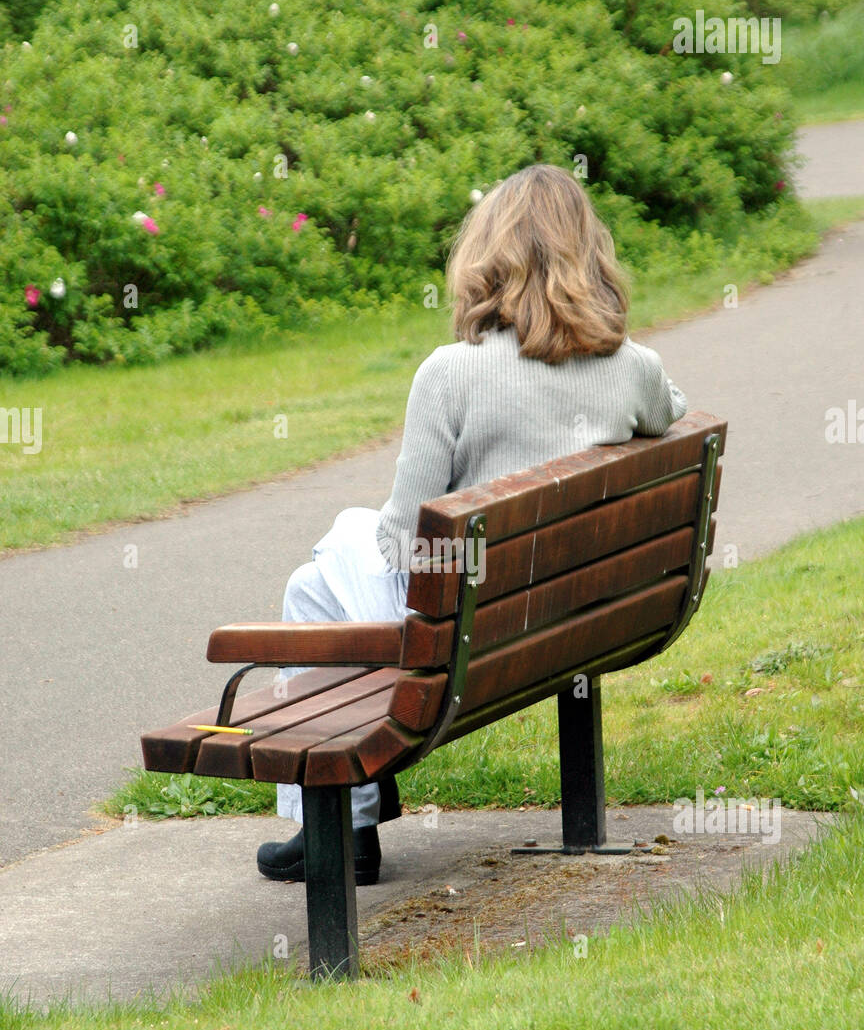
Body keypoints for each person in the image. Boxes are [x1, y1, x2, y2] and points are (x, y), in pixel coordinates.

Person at [257, 162, 687, 884]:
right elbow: (672, 410)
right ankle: (340, 822)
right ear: (591, 259)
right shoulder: (631, 366)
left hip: (466, 632)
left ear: (486, 258)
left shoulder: (450, 372)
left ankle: (343, 828)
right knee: (311, 587)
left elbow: (402, 544)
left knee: (340, 542)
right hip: (565, 617)